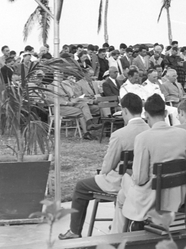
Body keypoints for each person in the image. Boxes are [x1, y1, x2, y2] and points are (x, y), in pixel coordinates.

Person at [59, 92, 149, 240]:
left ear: (125, 111)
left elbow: (108, 165)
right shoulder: (150, 129)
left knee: (81, 186)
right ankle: (118, 223)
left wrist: (103, 172)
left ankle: (74, 231)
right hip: (143, 179)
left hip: (121, 181)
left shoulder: (119, 135)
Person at [118, 94, 186, 229]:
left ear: (146, 115)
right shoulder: (184, 134)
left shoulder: (143, 138)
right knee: (123, 195)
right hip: (178, 195)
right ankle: (133, 225)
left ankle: (127, 229)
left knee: (124, 184)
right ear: (166, 113)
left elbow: (140, 179)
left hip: (153, 198)